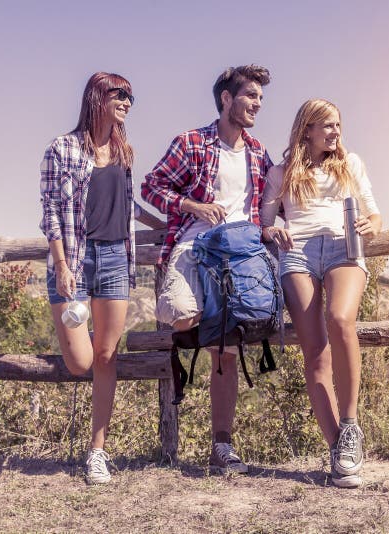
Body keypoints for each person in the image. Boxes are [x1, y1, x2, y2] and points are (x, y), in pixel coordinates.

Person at [141, 65, 273, 475]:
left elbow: (276, 201)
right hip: (192, 248)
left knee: (226, 352)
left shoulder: (259, 153)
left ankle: (222, 447)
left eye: (260, 98)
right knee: (182, 316)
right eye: (250, 95)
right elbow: (151, 186)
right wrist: (191, 206)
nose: (256, 104)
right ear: (226, 99)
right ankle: (185, 349)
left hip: (238, 258)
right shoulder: (192, 143)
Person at [40, 72, 157, 485]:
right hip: (74, 258)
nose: (127, 100)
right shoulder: (63, 148)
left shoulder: (124, 152)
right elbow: (51, 211)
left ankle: (98, 451)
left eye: (130, 95)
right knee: (80, 361)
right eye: (119, 93)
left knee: (107, 357)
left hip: (114, 259)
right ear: (97, 98)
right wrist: (61, 264)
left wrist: (163, 225)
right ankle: (82, 329)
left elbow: (129, 205)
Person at [260, 99, 382, 488]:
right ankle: (338, 451)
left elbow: (376, 213)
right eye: (327, 125)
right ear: (307, 129)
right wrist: (271, 231)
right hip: (297, 254)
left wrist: (371, 224)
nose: (335, 132)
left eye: (338, 126)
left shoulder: (352, 164)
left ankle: (350, 425)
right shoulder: (280, 173)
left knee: (341, 319)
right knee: (315, 354)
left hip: (344, 247)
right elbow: (263, 224)